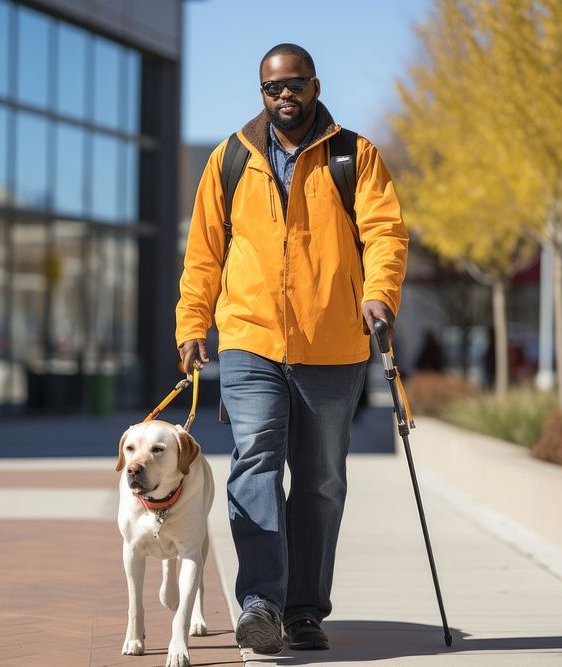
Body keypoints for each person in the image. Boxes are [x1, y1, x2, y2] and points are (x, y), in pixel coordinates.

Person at [174, 43, 409, 654]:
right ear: (261, 93)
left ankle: (304, 610)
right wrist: (192, 323)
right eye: (272, 88)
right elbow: (203, 252)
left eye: (294, 85)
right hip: (251, 339)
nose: (284, 96)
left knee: (321, 480)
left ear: (314, 85)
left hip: (333, 344)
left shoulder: (353, 156)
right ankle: (260, 603)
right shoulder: (230, 158)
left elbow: (385, 233)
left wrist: (380, 295)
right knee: (254, 460)